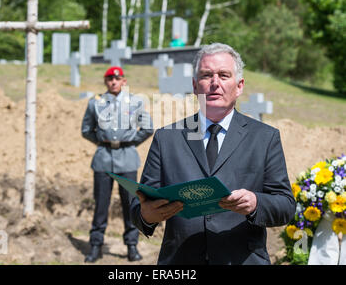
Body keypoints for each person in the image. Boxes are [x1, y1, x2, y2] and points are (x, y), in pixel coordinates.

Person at [130, 43, 296, 265]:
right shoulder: (167, 138)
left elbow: (285, 205)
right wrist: (146, 215)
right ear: (195, 86)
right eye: (206, 75)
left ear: (239, 86)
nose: (215, 83)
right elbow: (140, 205)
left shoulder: (265, 138)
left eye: (224, 75)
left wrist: (256, 202)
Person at [81, 66, 153, 263]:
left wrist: (129, 144)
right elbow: (86, 129)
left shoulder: (136, 102)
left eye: (117, 78)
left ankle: (132, 246)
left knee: (130, 204)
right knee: (101, 205)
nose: (113, 82)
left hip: (127, 158)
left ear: (124, 81)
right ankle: (96, 245)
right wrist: (103, 142)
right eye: (110, 79)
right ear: (105, 81)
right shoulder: (95, 103)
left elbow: (148, 127)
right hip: (103, 157)